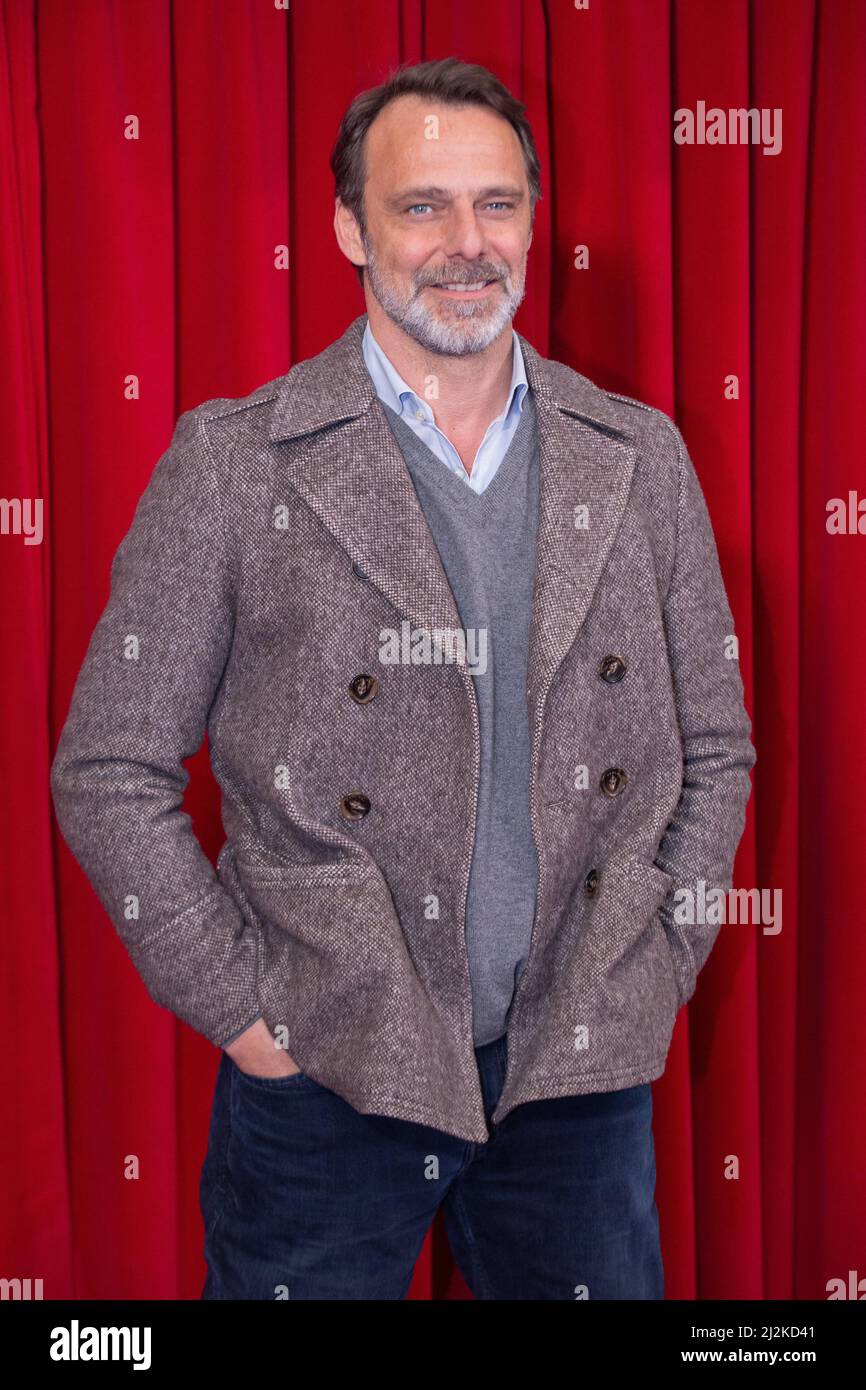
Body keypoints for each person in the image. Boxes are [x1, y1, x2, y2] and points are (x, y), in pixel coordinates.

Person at [50, 57, 756, 1300]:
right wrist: (251, 1020)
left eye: (496, 203)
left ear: (533, 222)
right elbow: (107, 767)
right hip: (328, 1068)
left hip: (573, 1074)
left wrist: (653, 963)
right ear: (347, 230)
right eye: (420, 206)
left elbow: (715, 749)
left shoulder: (637, 458)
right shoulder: (234, 462)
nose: (465, 243)